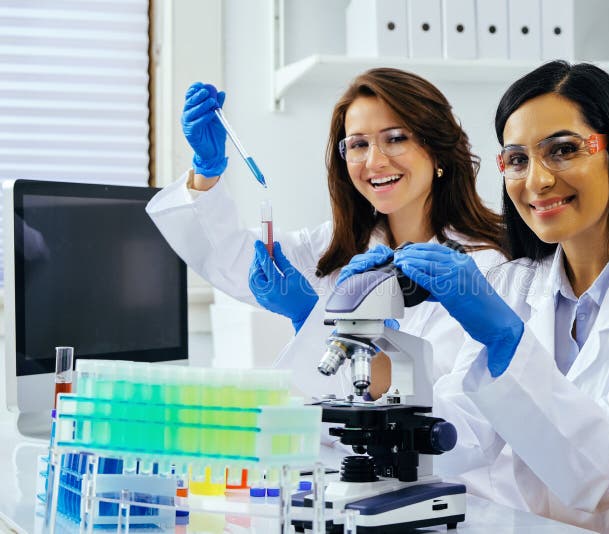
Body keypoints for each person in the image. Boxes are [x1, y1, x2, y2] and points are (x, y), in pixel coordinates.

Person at [339, 61, 609, 532]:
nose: (537, 180)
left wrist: (507, 342)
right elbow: (461, 440)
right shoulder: (515, 285)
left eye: (563, 150)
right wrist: (381, 345)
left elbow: (608, 470)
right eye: (517, 160)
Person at [145, 68, 508, 401]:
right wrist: (206, 171)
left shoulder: (486, 267)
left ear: (438, 151)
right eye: (359, 144)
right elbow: (231, 258)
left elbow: (452, 403)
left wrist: (312, 317)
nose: (374, 161)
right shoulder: (335, 247)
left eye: (396, 138)